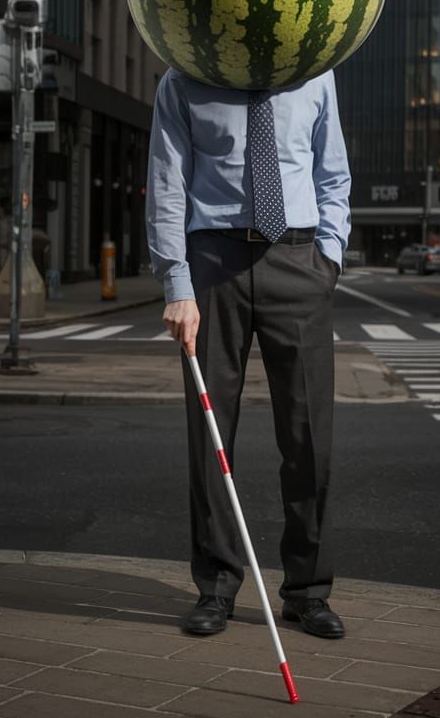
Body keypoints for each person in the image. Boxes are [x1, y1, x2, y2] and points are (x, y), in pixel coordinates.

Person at [145, 67, 351, 640]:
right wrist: (178, 287)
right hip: (214, 264)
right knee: (212, 439)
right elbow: (167, 181)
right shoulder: (183, 78)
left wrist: (327, 259)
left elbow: (332, 171)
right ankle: (214, 589)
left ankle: (308, 593)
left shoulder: (317, 75)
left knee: (310, 438)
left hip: (299, 259)